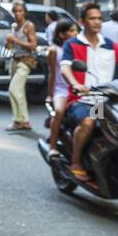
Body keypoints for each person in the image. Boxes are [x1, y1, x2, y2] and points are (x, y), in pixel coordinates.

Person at [60, 1, 118, 181]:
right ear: (82, 22)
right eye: (92, 18)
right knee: (89, 122)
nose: (96, 22)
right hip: (86, 98)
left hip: (110, 98)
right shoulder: (72, 44)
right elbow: (65, 69)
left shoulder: (110, 45)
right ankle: (76, 162)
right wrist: (76, 84)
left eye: (99, 19)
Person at [47, 18, 78, 158]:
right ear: (61, 34)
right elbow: (52, 73)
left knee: (97, 114)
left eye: (76, 30)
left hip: (79, 88)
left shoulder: (78, 47)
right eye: (71, 31)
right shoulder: (54, 50)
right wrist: (50, 94)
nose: (75, 33)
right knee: (59, 111)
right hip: (61, 88)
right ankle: (53, 146)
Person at [5, 0, 38, 133]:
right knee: (17, 91)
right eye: (15, 11)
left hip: (25, 61)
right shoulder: (14, 26)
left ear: (24, 12)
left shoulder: (29, 26)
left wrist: (15, 40)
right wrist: (9, 43)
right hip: (15, 60)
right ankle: (20, 120)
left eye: (20, 11)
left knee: (14, 89)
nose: (18, 14)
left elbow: (33, 45)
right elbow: (11, 46)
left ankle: (23, 120)